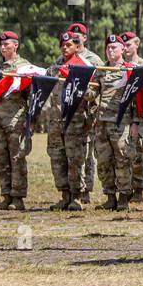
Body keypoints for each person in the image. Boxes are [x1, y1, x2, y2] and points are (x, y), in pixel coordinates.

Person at [46, 30, 102, 210]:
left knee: (75, 159)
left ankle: (77, 196)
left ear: (77, 47)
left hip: (76, 121)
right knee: (57, 157)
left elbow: (93, 93)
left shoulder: (84, 67)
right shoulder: (54, 68)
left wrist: (81, 87)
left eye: (69, 44)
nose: (64, 47)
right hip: (56, 120)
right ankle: (64, 195)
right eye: (62, 44)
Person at [0, 31, 34, 210]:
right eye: (1, 45)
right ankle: (6, 194)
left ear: (16, 45)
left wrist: (30, 120)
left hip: (16, 119)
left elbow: (32, 96)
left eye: (7, 44)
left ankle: (18, 197)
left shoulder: (25, 67)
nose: (3, 47)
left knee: (17, 157)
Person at [93, 34, 136, 210]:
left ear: (122, 49)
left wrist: (136, 122)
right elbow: (92, 93)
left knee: (123, 159)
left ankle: (125, 196)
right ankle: (110, 196)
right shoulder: (100, 70)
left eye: (114, 47)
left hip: (121, 122)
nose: (110, 50)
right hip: (102, 122)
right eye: (108, 48)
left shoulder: (129, 71)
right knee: (103, 161)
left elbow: (137, 99)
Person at [119, 31, 143, 203]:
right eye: (123, 46)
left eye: (128, 45)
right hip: (123, 118)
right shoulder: (119, 66)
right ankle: (125, 188)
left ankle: (138, 190)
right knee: (124, 155)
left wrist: (138, 121)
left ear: (137, 44)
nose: (125, 48)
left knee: (138, 155)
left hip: (140, 117)